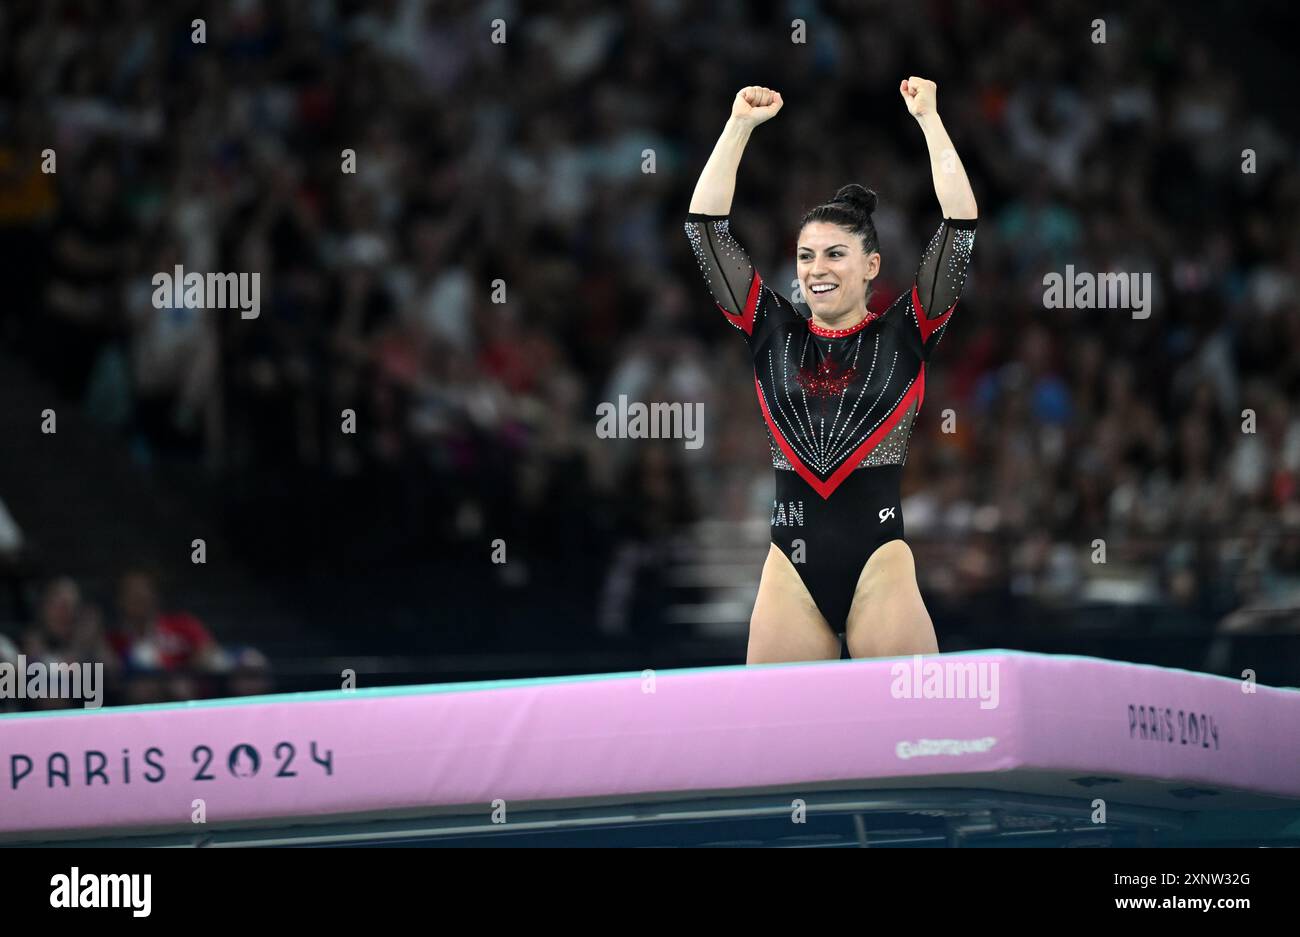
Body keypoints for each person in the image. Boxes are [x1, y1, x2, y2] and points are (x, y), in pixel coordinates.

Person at [684, 81, 978, 663]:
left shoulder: (906, 331)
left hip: (879, 564)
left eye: (835, 254)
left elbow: (960, 224)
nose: (817, 268)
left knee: (913, 733)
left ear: (871, 265)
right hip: (789, 572)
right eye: (805, 255)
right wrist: (737, 127)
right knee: (776, 742)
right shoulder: (771, 329)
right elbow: (703, 228)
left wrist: (930, 120)